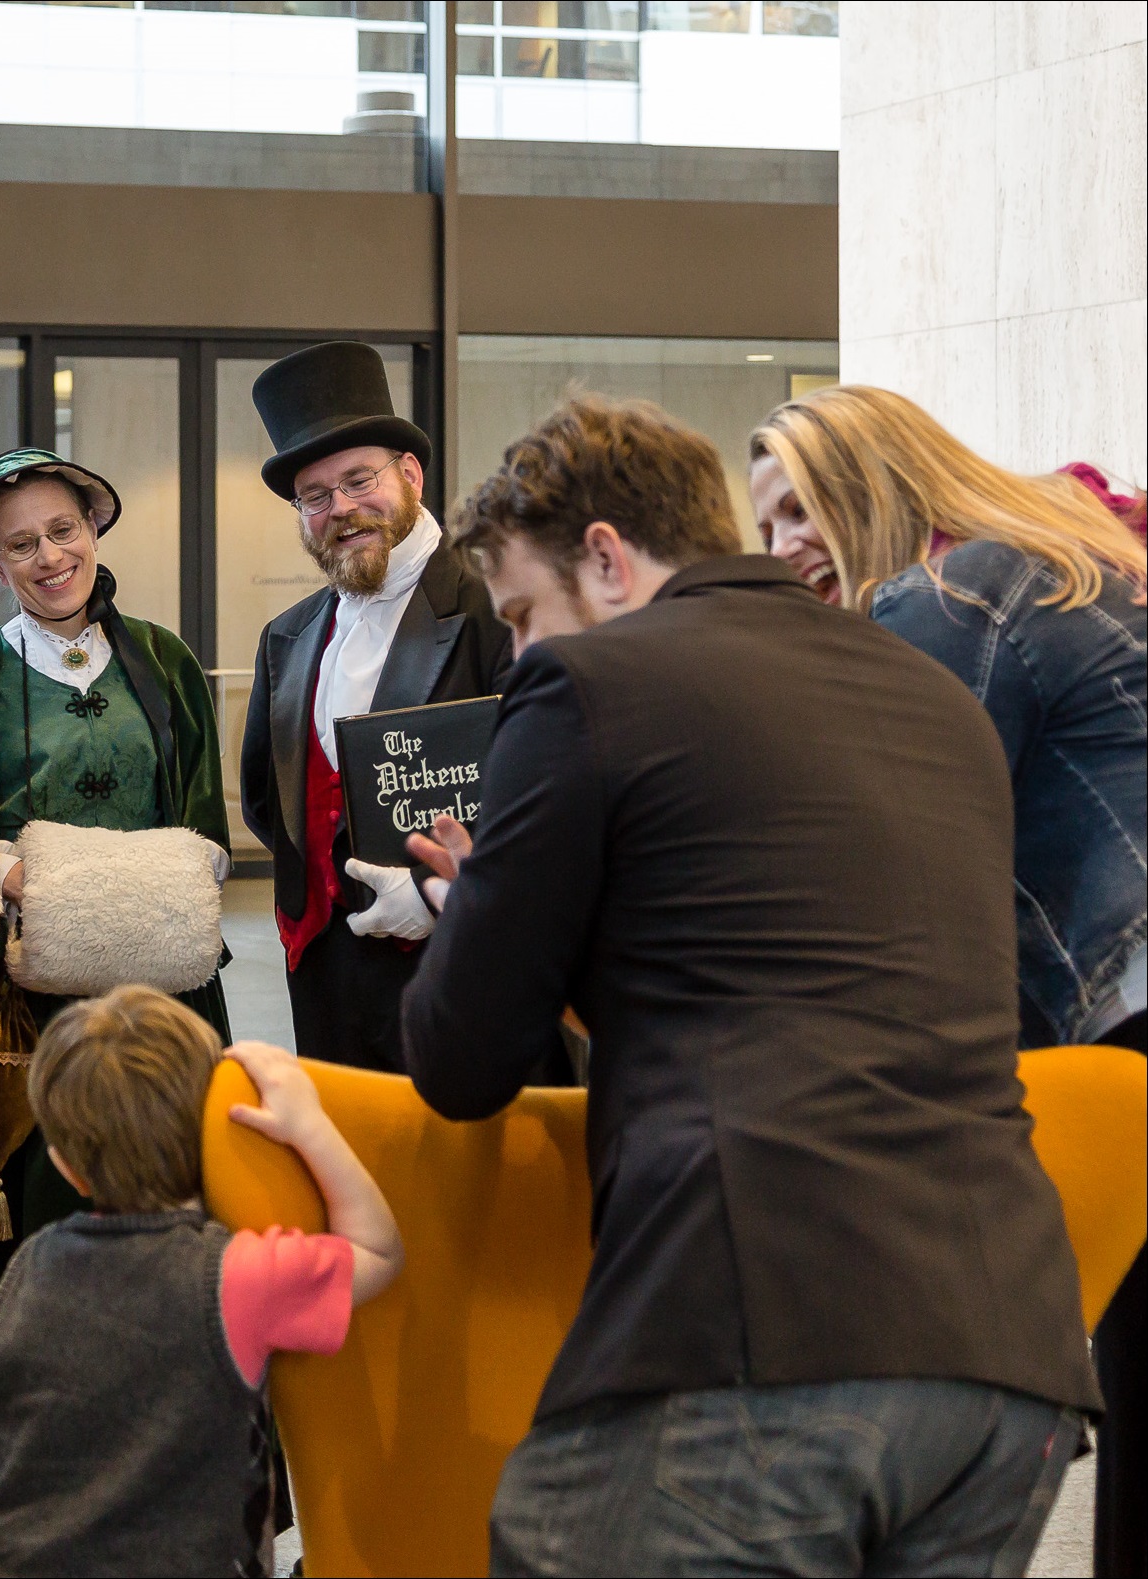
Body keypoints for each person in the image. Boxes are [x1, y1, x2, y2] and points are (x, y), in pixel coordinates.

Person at [400, 392, 1100, 1577]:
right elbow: (782, 967)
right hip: (1008, 1357)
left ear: (607, 558)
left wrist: (485, 904)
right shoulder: (934, 699)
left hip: (756, 1329)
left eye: (520, 613)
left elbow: (459, 1058)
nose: (518, 652)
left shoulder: (584, 685)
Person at [749, 384, 1145, 1579]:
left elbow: (891, 869)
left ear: (874, 480)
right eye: (762, 526)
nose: (781, 547)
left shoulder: (945, 599)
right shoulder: (1067, 555)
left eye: (797, 509)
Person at [0, 987, 402, 1576]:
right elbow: (380, 1249)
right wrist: (309, 1126)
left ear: (64, 1164)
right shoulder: (236, 1278)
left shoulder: (26, 1269)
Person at [0, 448, 233, 1251]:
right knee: (43, 1195)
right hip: (24, 988)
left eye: (63, 530)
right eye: (21, 543)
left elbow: (204, 819)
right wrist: (17, 878)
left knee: (167, 1175)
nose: (50, 556)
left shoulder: (164, 660)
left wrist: (150, 889)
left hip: (158, 974)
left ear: (93, 528)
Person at [239, 341, 511, 1072]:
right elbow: (269, 802)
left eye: (359, 480)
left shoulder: (496, 607)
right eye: (315, 496)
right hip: (322, 978)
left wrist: (438, 892)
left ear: (410, 474)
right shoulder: (286, 636)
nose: (341, 509)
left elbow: (550, 789)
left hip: (457, 971)